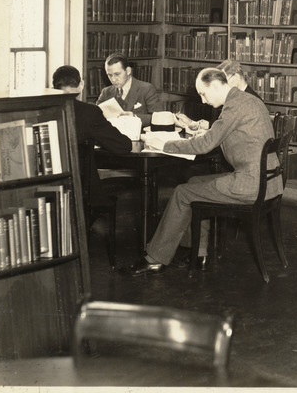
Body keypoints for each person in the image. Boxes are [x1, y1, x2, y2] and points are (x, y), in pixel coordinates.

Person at [121, 68, 281, 275]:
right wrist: (206, 133)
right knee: (195, 181)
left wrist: (163, 144)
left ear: (215, 85)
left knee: (182, 192)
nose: (203, 101)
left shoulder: (234, 105)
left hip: (250, 185)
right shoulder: (247, 100)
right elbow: (228, 134)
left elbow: (205, 145)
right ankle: (198, 251)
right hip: (269, 182)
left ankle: (154, 258)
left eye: (203, 94)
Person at [52, 65, 132, 199]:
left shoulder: (43, 110)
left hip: (52, 184)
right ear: (81, 85)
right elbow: (123, 146)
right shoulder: (89, 112)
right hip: (82, 190)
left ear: (53, 87)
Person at [96, 53, 162, 127]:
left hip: (138, 136)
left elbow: (159, 118)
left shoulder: (147, 89)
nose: (113, 79)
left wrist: (134, 117)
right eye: (109, 75)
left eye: (117, 74)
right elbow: (95, 115)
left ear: (128, 71)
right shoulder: (106, 92)